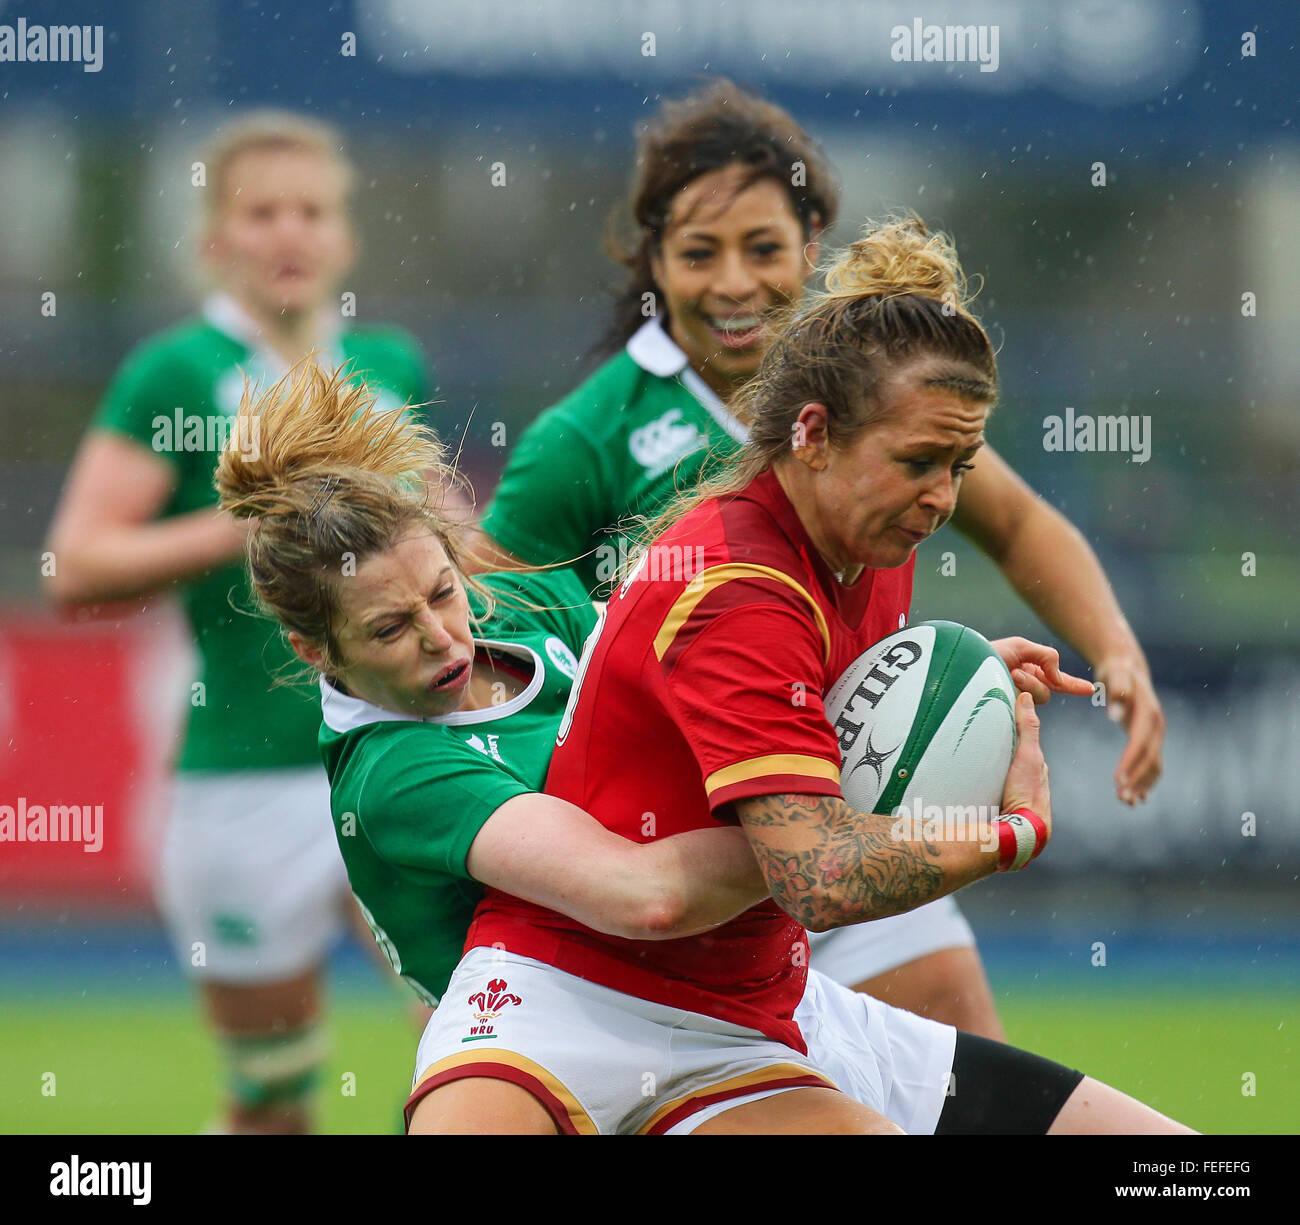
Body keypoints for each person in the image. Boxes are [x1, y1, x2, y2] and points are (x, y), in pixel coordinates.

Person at [404, 217, 1192, 1135]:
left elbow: (823, 704)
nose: (943, 497)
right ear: (812, 432)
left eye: (959, 466)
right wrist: (1010, 833)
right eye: (919, 463)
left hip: (747, 1010)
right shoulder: (736, 582)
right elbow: (818, 874)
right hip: (563, 1001)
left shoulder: (865, 536)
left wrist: (958, 679)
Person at [470, 80, 1166, 1038]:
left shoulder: (881, 403)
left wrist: (1114, 652)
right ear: (653, 264)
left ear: (812, 243)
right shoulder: (585, 440)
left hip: (844, 805)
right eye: (697, 252)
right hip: (682, 851)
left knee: (973, 1073)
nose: (735, 282)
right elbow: (480, 643)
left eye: (764, 248)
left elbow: (1018, 525)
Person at [42, 111, 433, 1134]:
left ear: (345, 237)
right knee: (272, 1098)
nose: (288, 233)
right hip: (242, 780)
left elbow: (449, 550)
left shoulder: (388, 364)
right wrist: (244, 518)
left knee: (479, 1048)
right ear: (214, 240)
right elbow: (75, 565)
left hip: (399, 753)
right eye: (259, 212)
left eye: (311, 210)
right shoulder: (175, 374)